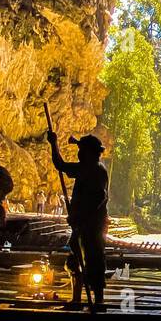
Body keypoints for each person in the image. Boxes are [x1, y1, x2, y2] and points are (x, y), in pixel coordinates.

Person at [46, 129, 108, 309]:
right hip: (82, 224)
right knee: (74, 261)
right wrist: (53, 143)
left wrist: (80, 217)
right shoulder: (87, 168)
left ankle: (98, 301)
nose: (79, 153)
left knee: (94, 260)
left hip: (92, 225)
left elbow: (99, 198)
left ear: (89, 152)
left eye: (81, 150)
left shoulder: (95, 170)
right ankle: (76, 300)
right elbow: (61, 165)